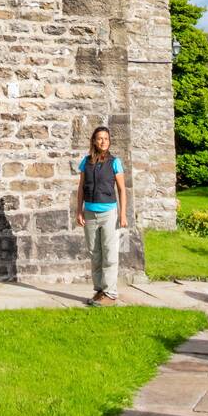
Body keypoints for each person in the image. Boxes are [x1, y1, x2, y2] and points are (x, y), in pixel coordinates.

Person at [76, 126, 127, 306]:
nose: (103, 141)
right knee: (95, 253)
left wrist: (122, 214)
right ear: (94, 141)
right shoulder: (86, 162)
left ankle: (111, 294)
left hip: (109, 213)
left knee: (110, 253)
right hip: (90, 212)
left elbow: (121, 190)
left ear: (109, 141)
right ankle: (100, 290)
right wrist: (78, 210)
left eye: (106, 138)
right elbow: (81, 188)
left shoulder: (115, 162)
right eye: (99, 138)